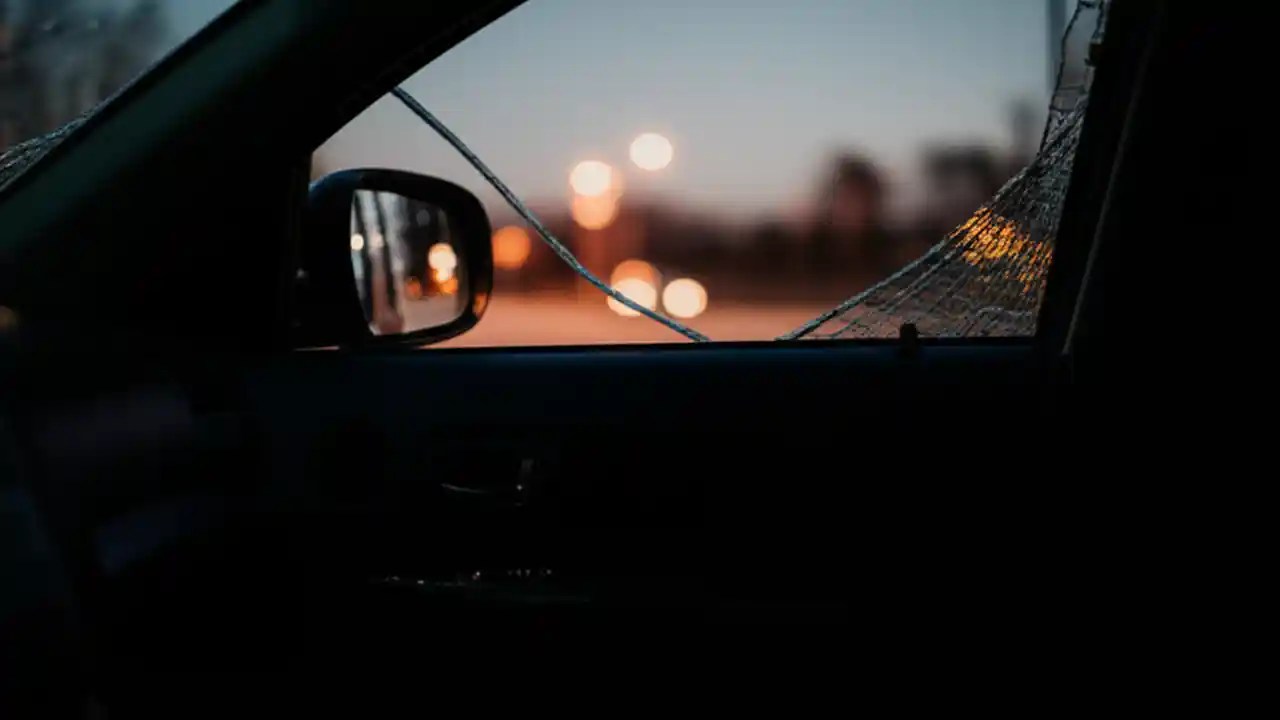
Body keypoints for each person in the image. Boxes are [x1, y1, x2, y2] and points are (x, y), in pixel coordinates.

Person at [807, 154, 899, 291]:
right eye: (849, 198)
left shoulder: (892, 254)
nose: (856, 209)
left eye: (864, 199)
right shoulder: (809, 253)